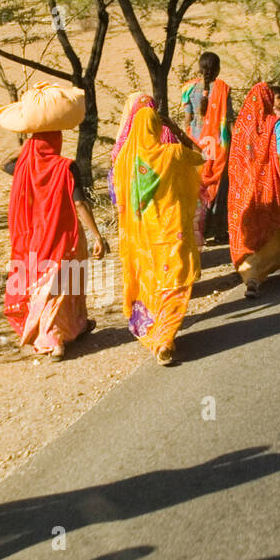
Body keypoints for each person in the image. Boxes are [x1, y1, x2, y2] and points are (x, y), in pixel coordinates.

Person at [112, 92, 203, 364]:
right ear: (156, 127)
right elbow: (201, 156)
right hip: (172, 233)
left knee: (151, 285)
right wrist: (176, 129)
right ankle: (164, 338)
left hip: (142, 240)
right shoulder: (172, 152)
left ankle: (157, 334)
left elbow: (120, 201)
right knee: (176, 282)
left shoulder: (124, 162)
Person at [2, 135, 107, 360]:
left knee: (46, 286)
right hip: (64, 236)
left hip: (35, 238)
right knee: (66, 284)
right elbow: (79, 202)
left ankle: (76, 327)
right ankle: (54, 339)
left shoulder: (23, 168)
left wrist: (26, 149)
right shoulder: (66, 167)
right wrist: (97, 235)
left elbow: (3, 164)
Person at [227, 81, 280, 300]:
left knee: (254, 225)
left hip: (247, 187)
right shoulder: (275, 122)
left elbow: (235, 160)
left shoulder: (241, 127)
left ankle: (252, 277)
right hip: (272, 180)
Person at [180, 52, 234, 245]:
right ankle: (219, 230)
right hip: (218, 146)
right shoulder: (223, 89)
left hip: (196, 145)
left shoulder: (188, 89)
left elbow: (187, 120)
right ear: (217, 68)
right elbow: (228, 120)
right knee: (219, 186)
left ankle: (198, 230)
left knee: (198, 187)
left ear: (199, 68)